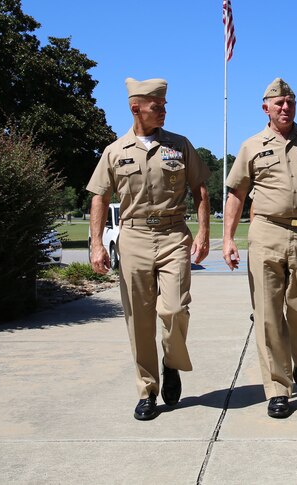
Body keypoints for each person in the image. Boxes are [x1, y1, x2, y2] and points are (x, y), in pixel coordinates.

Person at [87, 77, 211, 422]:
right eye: (157, 107)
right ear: (135, 108)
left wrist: (203, 233)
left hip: (173, 236)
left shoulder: (179, 145)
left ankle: (172, 362)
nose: (164, 111)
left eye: (165, 105)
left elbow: (200, 189)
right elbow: (100, 196)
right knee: (139, 320)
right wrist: (96, 244)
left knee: (174, 310)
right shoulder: (115, 151)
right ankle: (148, 389)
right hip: (134, 237)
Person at [222, 77, 297, 419]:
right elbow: (236, 194)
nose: (285, 108)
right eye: (279, 103)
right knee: (267, 315)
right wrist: (229, 238)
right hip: (265, 233)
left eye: (290, 102)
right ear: (266, 108)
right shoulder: (251, 146)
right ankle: (278, 388)